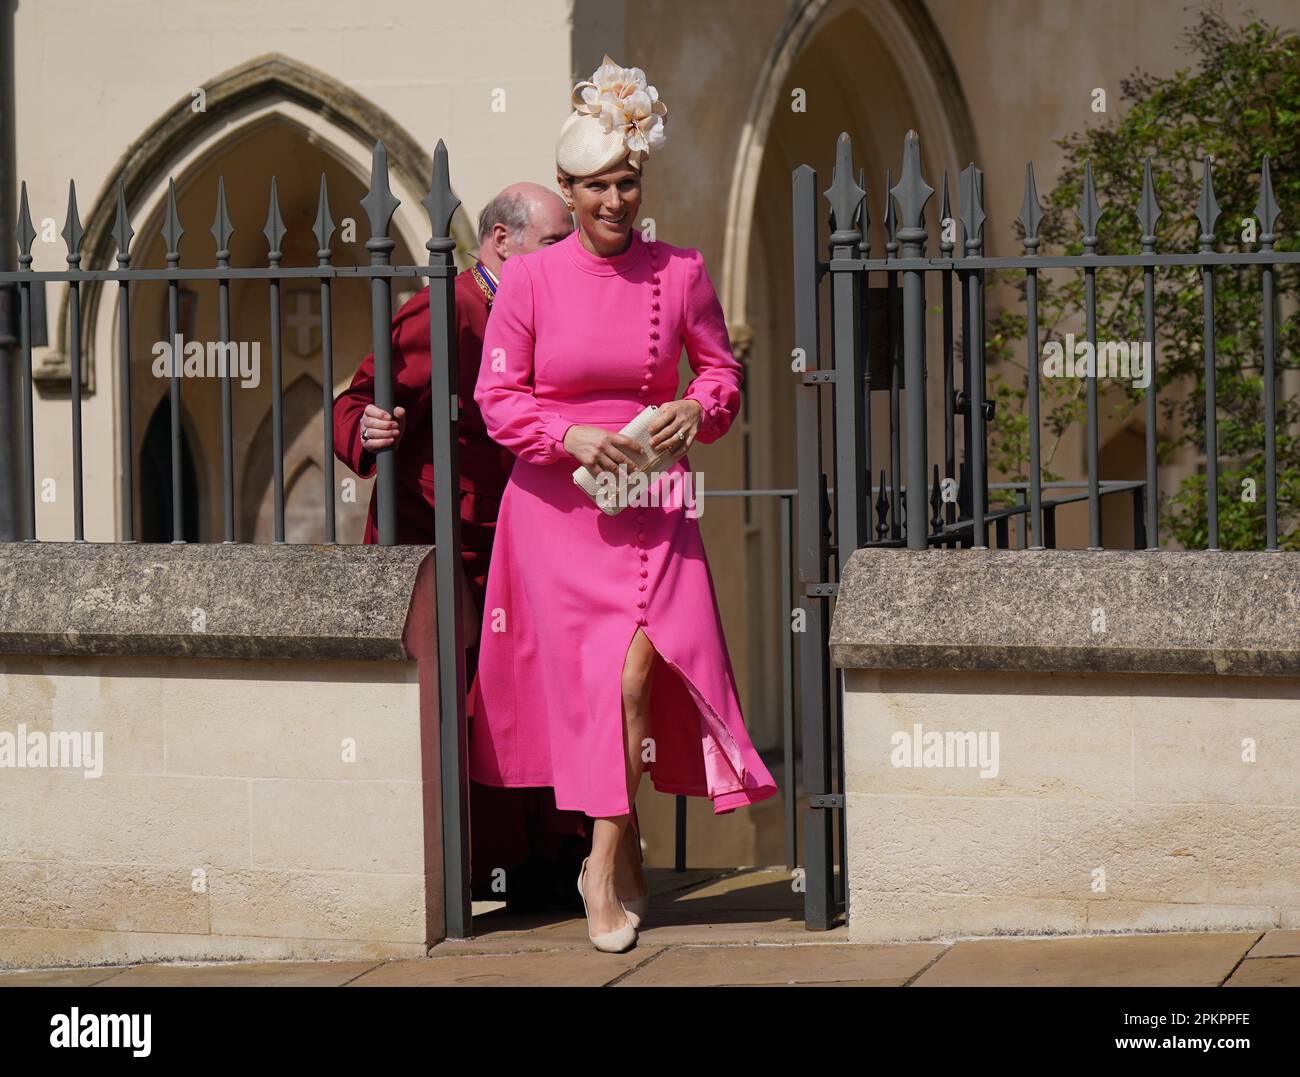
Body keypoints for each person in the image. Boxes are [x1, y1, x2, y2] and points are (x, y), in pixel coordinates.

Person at [468, 55, 779, 953]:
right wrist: (569, 437)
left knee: (641, 677)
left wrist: (694, 404)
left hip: (655, 503)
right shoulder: (527, 282)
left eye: (627, 182)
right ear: (568, 190)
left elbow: (722, 372)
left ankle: (600, 860)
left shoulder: (679, 270)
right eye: (597, 186)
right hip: (557, 516)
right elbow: (499, 400)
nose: (615, 200)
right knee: (599, 693)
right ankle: (618, 843)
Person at [331, 184, 593, 911]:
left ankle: (556, 853)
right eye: (553, 240)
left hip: (529, 536)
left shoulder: (544, 309)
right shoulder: (445, 308)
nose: (568, 253)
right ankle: (491, 864)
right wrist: (370, 427)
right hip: (444, 539)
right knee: (472, 700)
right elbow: (355, 400)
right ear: (501, 242)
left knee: (540, 689)